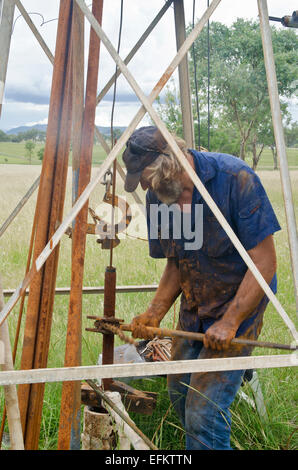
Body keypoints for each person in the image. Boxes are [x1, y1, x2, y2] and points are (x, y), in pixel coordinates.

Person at [122, 125, 281, 450]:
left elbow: (264, 263)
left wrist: (231, 321)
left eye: (146, 177)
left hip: (241, 301)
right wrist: (154, 313)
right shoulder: (159, 197)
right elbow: (176, 262)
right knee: (180, 393)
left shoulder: (234, 179)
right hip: (197, 303)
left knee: (203, 413)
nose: (145, 186)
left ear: (168, 165)